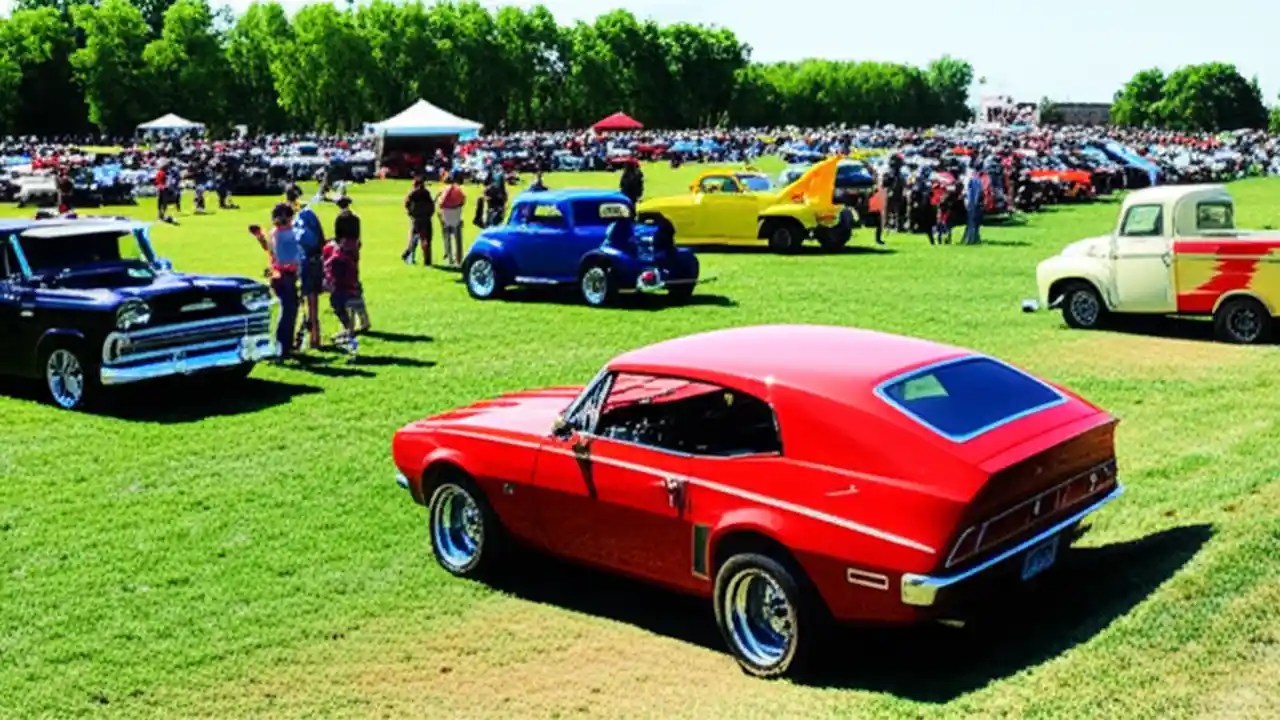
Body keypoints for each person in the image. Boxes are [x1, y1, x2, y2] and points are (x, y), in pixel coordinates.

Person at [252, 204, 301, 357]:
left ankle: (285, 344)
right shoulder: (287, 233)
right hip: (285, 275)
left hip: (279, 275)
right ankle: (283, 346)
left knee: (289, 309)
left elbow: (270, 250)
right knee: (289, 310)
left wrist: (260, 237)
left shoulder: (275, 232)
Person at [333, 196, 369, 333]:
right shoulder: (355, 219)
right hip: (354, 250)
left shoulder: (339, 219)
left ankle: (350, 323)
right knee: (354, 283)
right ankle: (362, 319)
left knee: (346, 286)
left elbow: (338, 237)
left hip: (344, 252)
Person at [294, 204, 326, 348]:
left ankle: (310, 337)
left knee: (305, 303)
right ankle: (315, 337)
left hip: (305, 265)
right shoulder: (310, 218)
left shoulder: (299, 221)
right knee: (312, 303)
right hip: (315, 263)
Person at [402, 175, 435, 266]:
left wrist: (411, 213)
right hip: (426, 219)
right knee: (426, 240)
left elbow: (406, 204)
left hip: (416, 219)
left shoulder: (413, 193)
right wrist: (429, 214)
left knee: (414, 239)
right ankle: (427, 260)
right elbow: (431, 206)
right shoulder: (426, 193)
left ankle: (408, 255)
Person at [437, 174, 467, 266]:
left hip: (446, 213)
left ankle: (449, 257)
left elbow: (441, 202)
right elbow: (463, 200)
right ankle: (459, 259)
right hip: (456, 213)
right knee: (458, 238)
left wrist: (439, 201)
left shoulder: (445, 189)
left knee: (447, 237)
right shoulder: (458, 189)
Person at [962, 169, 984, 245]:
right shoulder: (978, 180)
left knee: (971, 221)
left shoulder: (968, 179)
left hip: (970, 202)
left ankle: (969, 239)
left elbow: (966, 191)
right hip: (976, 202)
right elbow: (981, 191)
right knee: (974, 221)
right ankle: (973, 238)